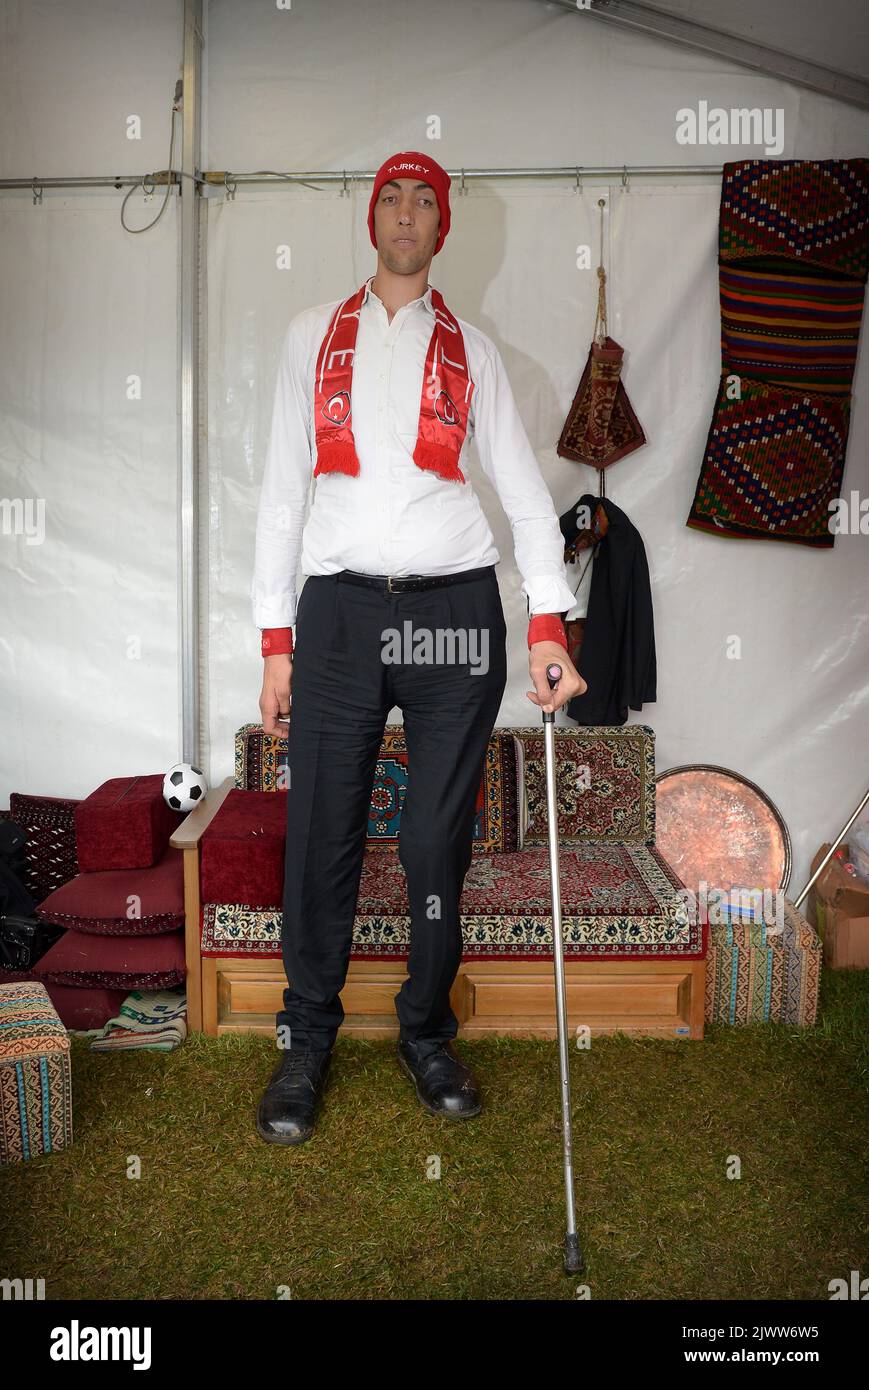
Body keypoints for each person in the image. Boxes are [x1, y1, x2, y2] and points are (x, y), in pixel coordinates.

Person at [251, 150, 586, 1145]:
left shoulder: (472, 349)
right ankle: (305, 1036)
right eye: (390, 196)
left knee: (435, 839)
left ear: (442, 226)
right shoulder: (311, 335)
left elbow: (523, 489)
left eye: (423, 200)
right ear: (371, 218)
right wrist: (276, 640)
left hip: (454, 613)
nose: (405, 213)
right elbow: (280, 492)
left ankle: (426, 1031)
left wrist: (544, 623)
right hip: (341, 615)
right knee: (322, 832)